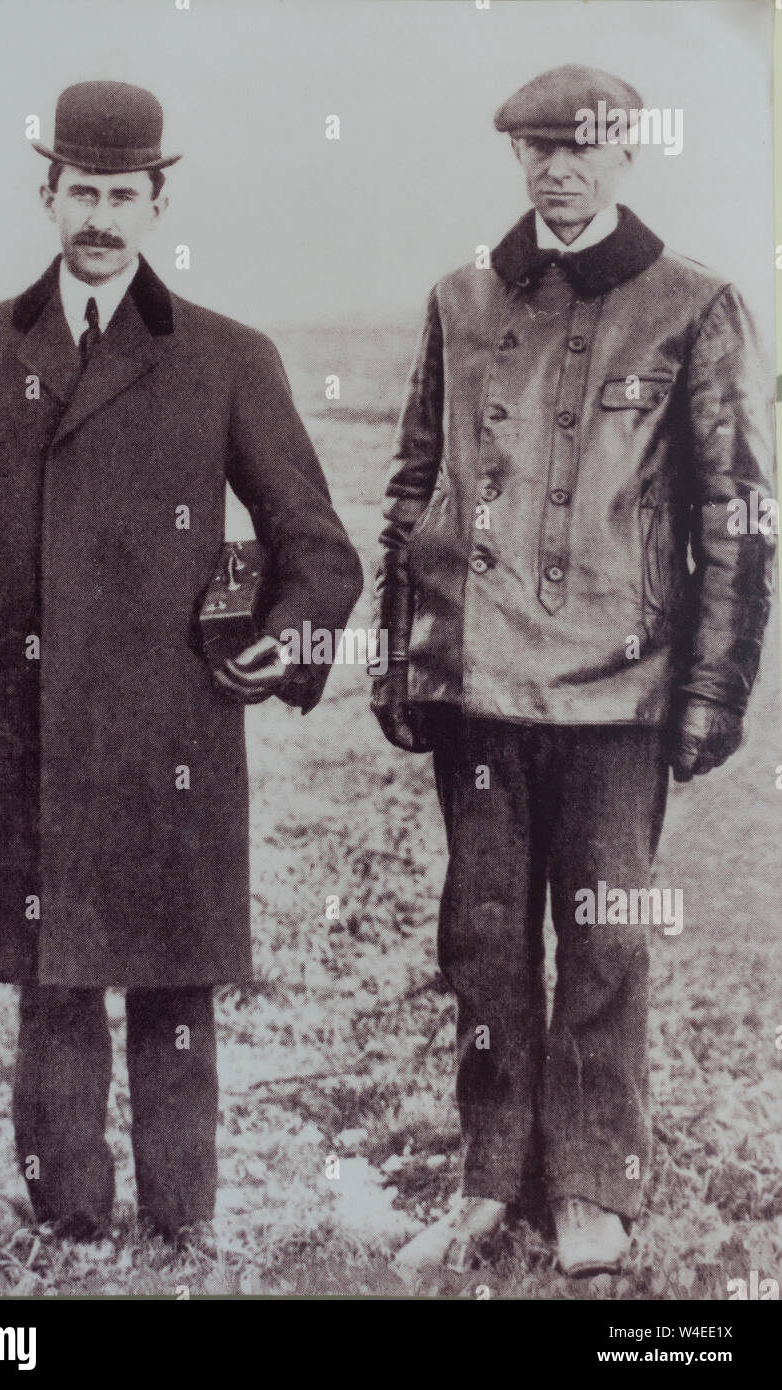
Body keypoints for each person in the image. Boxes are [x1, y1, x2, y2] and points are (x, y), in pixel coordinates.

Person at [0, 80, 363, 1242]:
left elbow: (317, 548)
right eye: (81, 192)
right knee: (52, 976)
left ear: (159, 203)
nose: (100, 217)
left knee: (172, 981)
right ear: (47, 195)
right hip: (28, 728)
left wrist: (285, 638)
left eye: (123, 194)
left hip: (172, 732)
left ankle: (181, 1222)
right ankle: (70, 1218)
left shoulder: (226, 358)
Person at [369, 65, 775, 1282]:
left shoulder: (695, 304)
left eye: (584, 146)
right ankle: (491, 1175)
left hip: (620, 692)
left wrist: (712, 689)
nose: (559, 168)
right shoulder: (461, 298)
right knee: (483, 937)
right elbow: (413, 488)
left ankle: (595, 1181)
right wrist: (403, 656)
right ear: (518, 158)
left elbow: (738, 516)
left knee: (605, 941)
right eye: (538, 149)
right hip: (480, 687)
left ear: (627, 153)